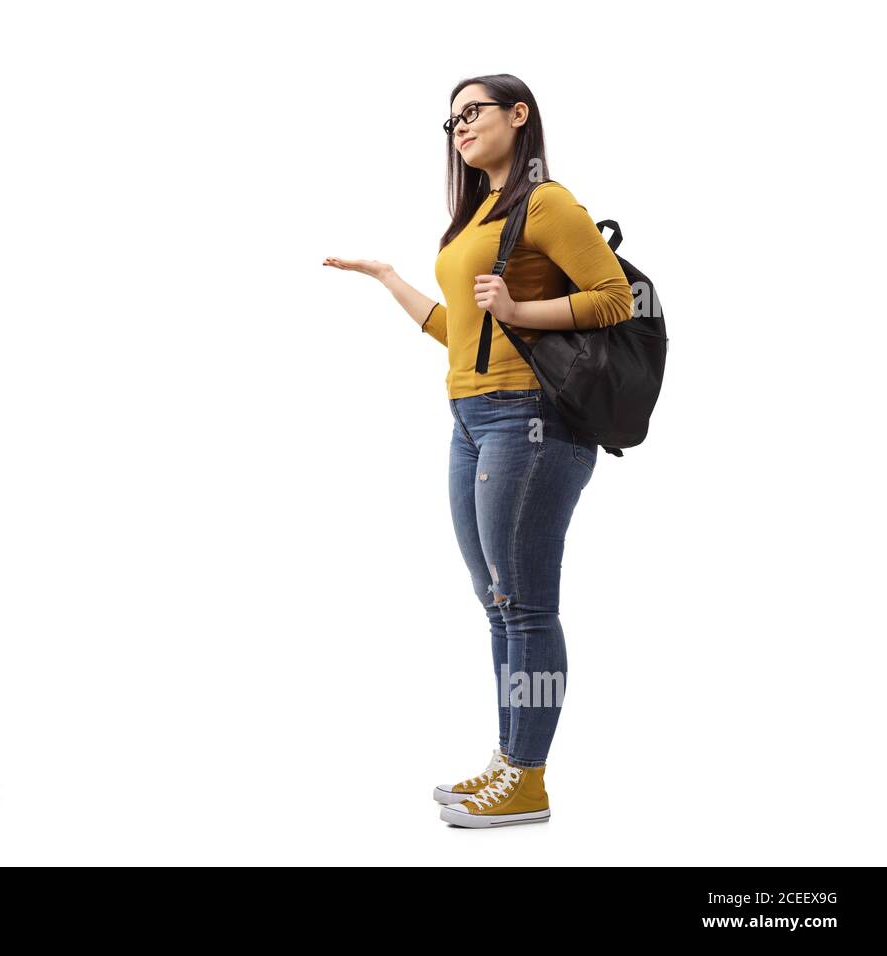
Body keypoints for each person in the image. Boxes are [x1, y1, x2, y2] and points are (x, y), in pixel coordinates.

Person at [322, 74, 633, 828]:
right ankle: (507, 760)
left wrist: (522, 307)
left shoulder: (547, 202)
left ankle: (528, 779)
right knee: (498, 605)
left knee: (525, 607)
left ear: (518, 115)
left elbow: (614, 297)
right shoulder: (478, 217)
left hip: (529, 422)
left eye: (474, 112)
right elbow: (464, 333)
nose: (460, 127)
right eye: (451, 120)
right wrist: (393, 280)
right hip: (468, 417)